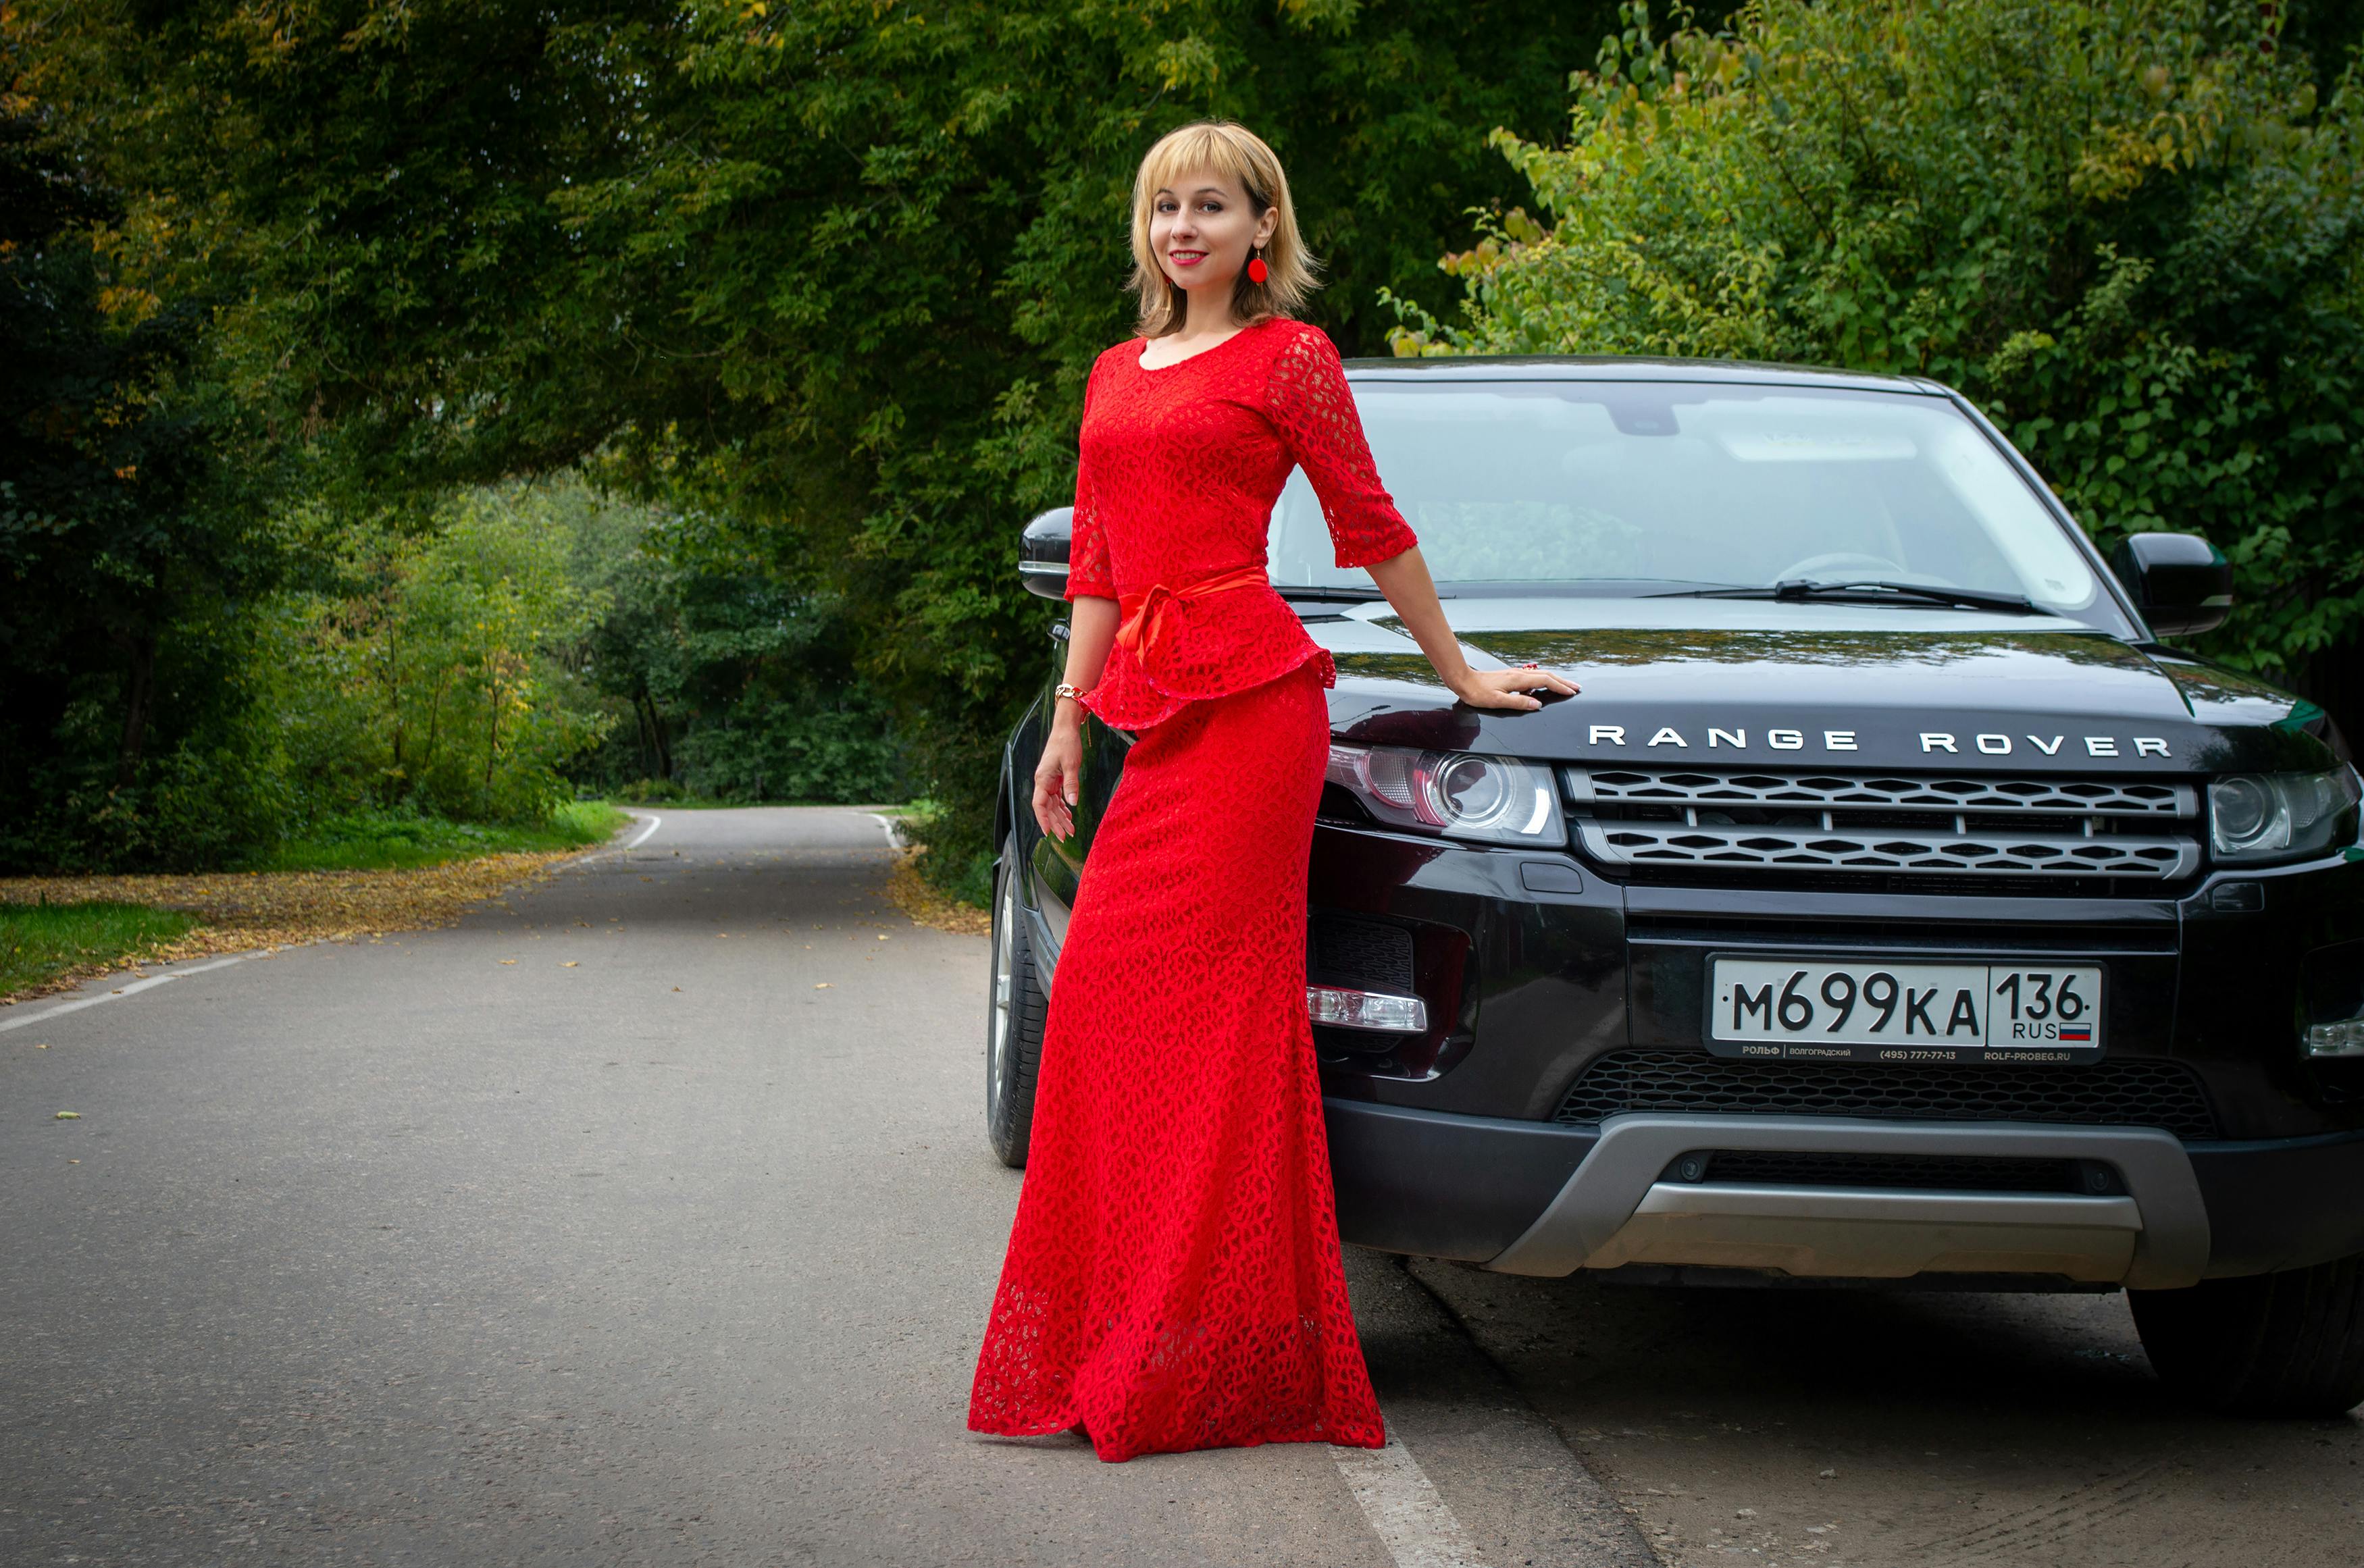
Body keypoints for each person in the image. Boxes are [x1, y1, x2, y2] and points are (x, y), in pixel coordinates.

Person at [967, 120, 1579, 1464]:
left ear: (1261, 230)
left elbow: (1370, 525)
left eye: (1211, 207)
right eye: (1163, 208)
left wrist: (1459, 671)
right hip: (1151, 709)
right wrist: (1068, 723)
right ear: (1145, 231)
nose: (1183, 227)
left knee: (1223, 1024)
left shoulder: (1287, 360)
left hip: (1254, 715)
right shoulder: (1114, 374)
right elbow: (1099, 569)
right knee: (1104, 1014)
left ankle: (1198, 1354)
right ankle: (1121, 1331)